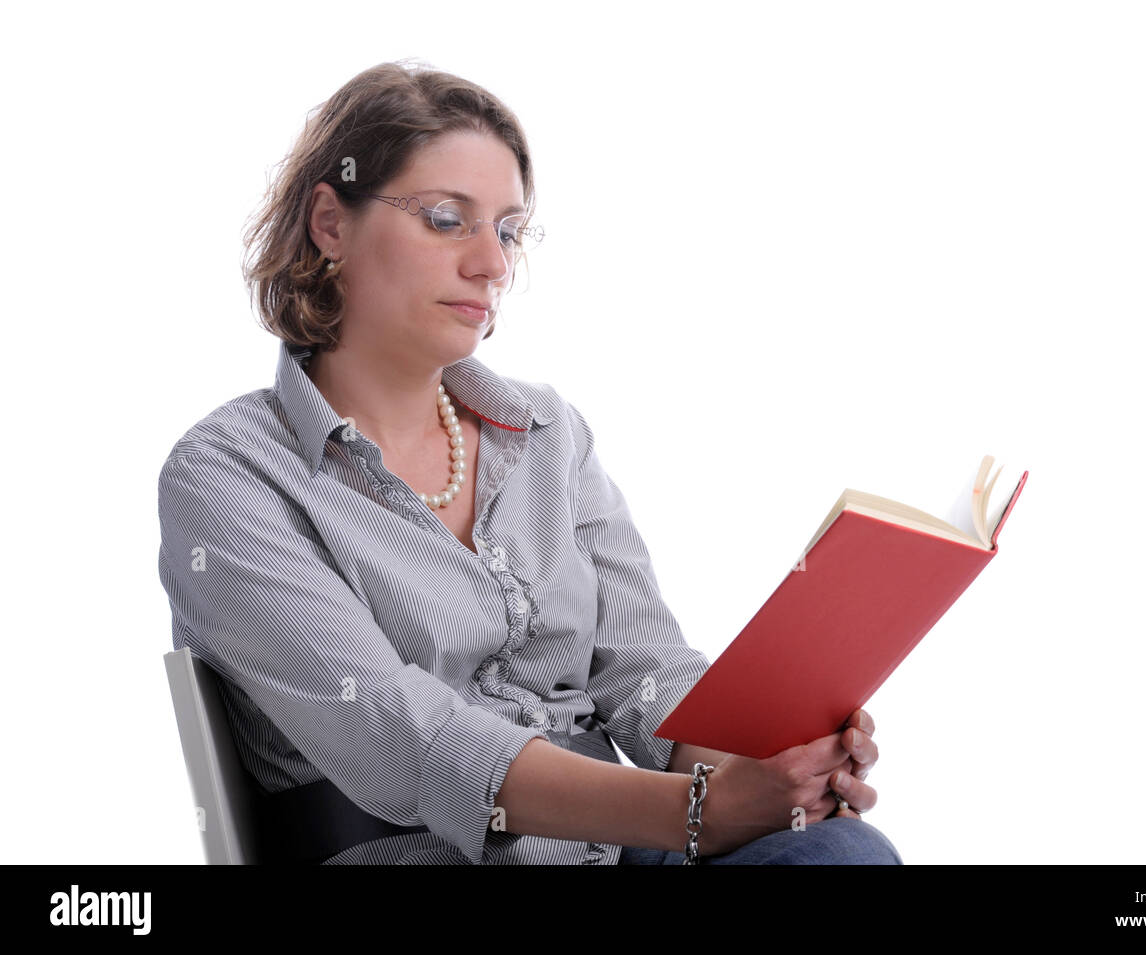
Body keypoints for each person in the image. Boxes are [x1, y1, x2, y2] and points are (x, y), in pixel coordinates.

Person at [156, 59, 902, 866]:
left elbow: (647, 677)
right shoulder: (228, 476)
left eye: (507, 230)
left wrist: (770, 773)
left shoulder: (548, 434)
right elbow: (404, 739)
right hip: (426, 853)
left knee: (840, 849)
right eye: (447, 219)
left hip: (620, 844)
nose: (493, 264)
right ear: (331, 224)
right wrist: (696, 814)